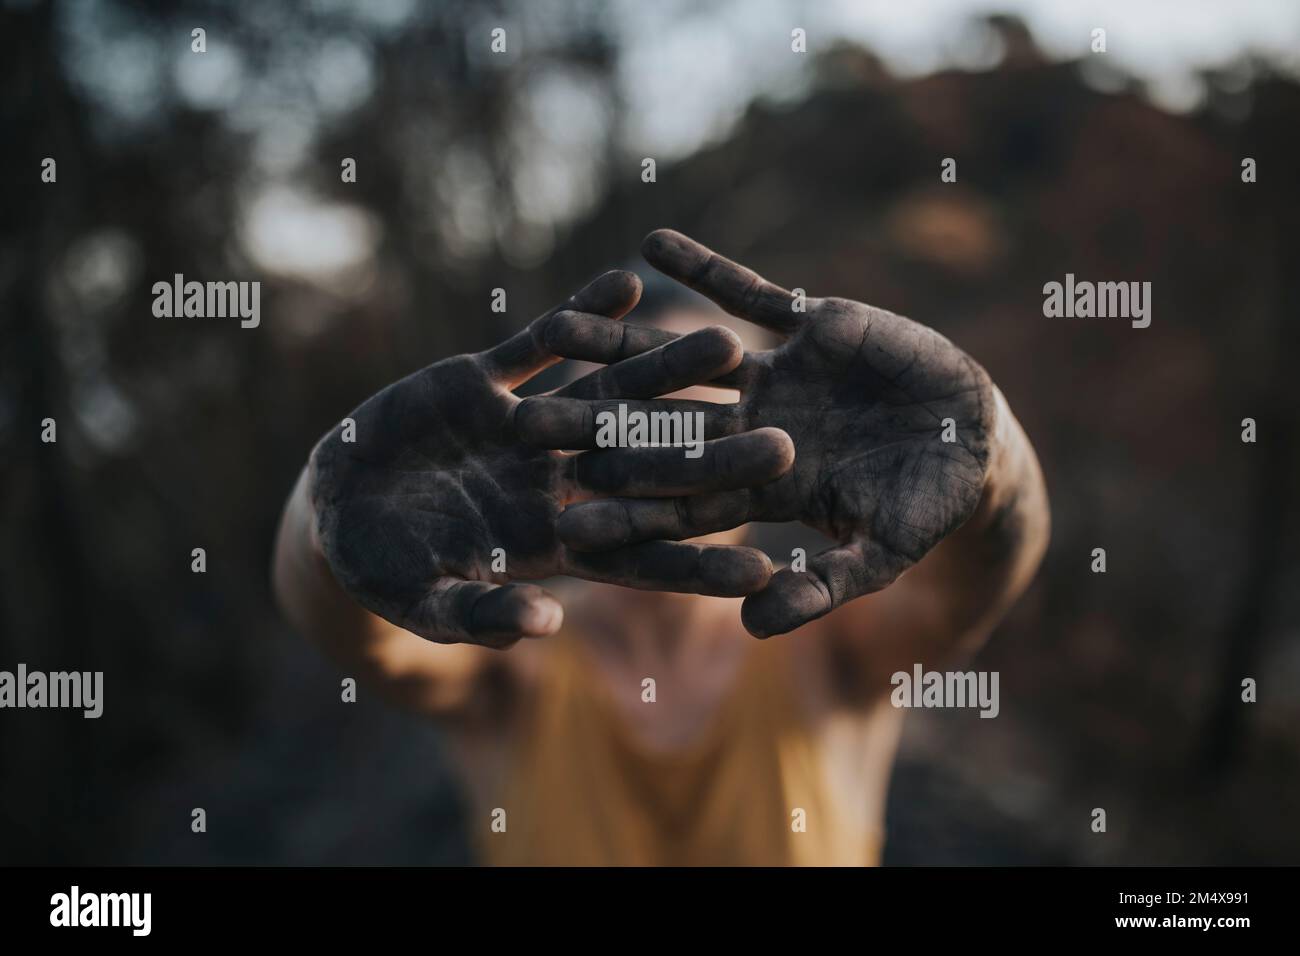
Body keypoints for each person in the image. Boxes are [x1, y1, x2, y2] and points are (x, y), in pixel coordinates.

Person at [272, 230, 1050, 865]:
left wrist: (986, 448)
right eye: (643, 424)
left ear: (779, 448)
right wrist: (328, 508)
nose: (673, 460)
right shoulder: (510, 667)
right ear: (565, 442)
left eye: (707, 430)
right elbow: (353, 633)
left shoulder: (833, 659)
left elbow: (981, 578)